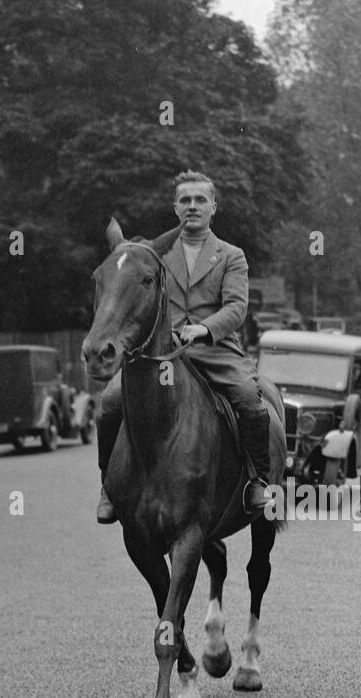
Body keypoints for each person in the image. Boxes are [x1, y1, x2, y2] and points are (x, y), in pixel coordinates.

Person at [94, 171, 274, 523]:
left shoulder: (231, 256)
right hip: (163, 352)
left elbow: (237, 308)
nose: (192, 206)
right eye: (185, 200)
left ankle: (258, 480)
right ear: (175, 208)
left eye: (200, 200)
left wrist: (204, 329)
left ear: (213, 208)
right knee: (110, 402)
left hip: (215, 349)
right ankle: (108, 486)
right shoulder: (155, 254)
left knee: (249, 399)